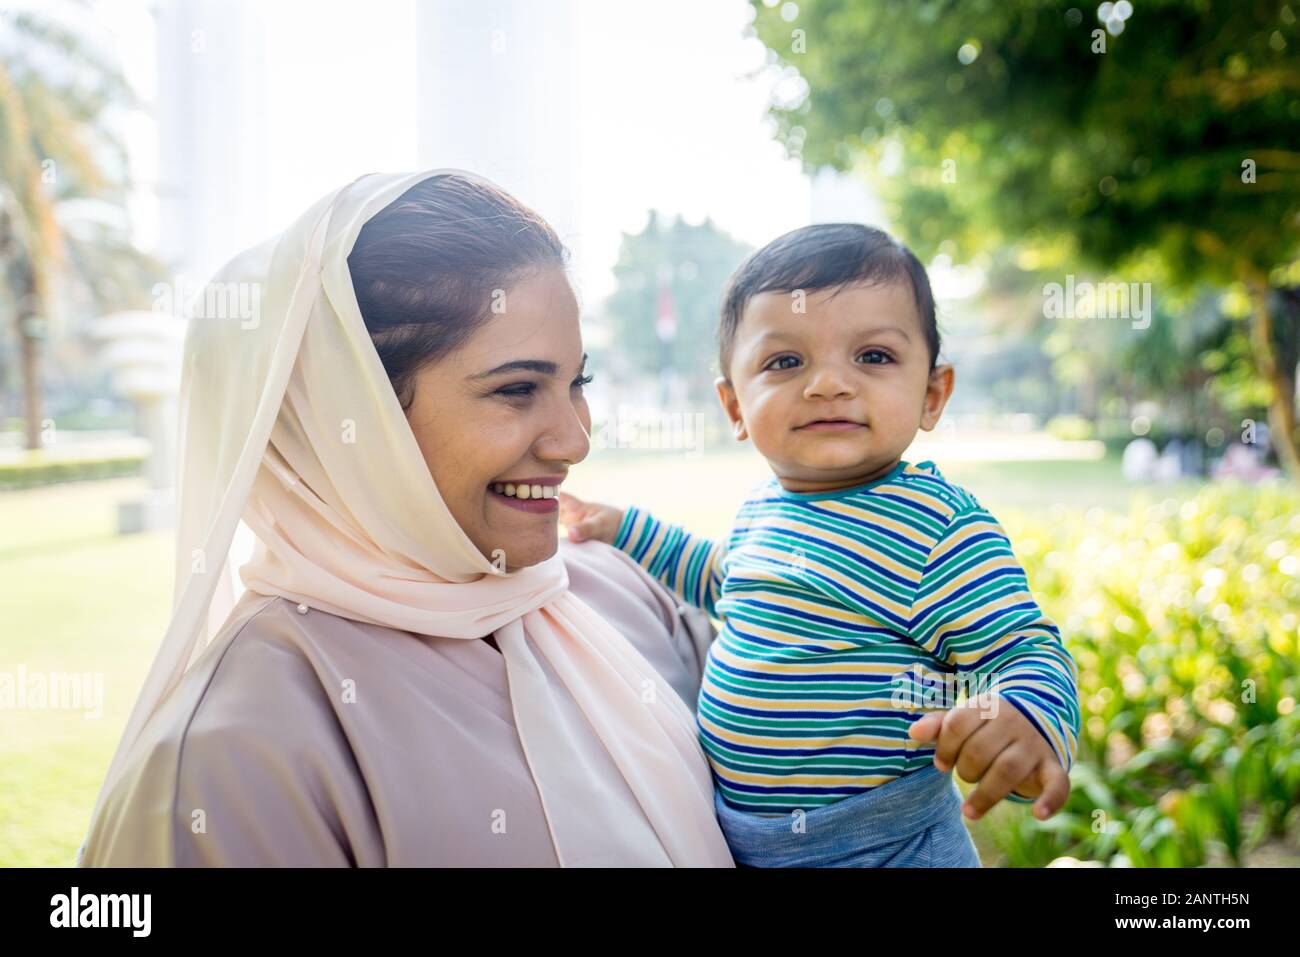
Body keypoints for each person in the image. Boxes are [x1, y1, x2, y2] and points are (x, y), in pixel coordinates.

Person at [78, 170, 735, 867]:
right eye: (517, 389)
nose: (575, 438)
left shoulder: (625, 596)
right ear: (348, 416)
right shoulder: (231, 762)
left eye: (578, 382)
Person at [560, 224, 1082, 867]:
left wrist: (1028, 715)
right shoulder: (764, 510)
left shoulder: (936, 527)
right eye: (785, 362)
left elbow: (1024, 648)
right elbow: (721, 579)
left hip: (885, 845)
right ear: (734, 406)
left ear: (932, 394)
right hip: (745, 842)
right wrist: (623, 527)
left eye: (873, 357)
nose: (828, 384)